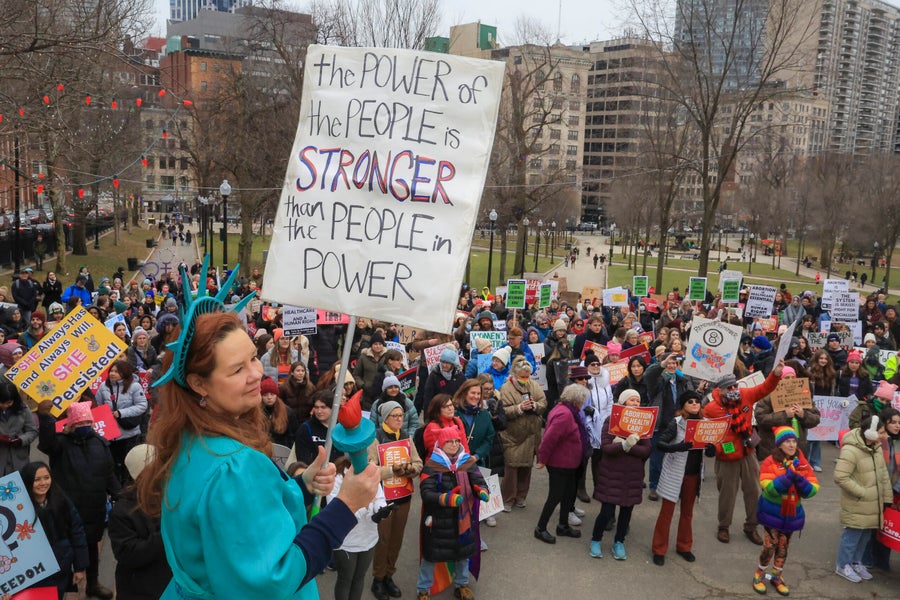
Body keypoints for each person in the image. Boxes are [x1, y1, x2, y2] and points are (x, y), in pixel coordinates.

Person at [136, 289, 379, 598]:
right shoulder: (233, 467)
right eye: (238, 369)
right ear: (199, 384)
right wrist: (346, 507)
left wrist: (301, 485)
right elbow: (273, 579)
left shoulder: (188, 439)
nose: (257, 372)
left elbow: (238, 518)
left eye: (253, 357)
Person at [37, 399, 121, 599]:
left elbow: (109, 474)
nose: (85, 427)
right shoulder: (60, 444)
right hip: (67, 508)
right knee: (65, 550)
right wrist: (45, 418)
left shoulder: (100, 443)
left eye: (88, 423)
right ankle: (67, 590)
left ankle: (93, 584)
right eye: (80, 424)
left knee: (91, 547)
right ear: (71, 424)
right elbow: (46, 443)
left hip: (94, 507)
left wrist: (121, 496)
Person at [704, 361, 784, 545]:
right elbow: (707, 433)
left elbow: (765, 388)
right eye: (729, 387)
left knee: (753, 491)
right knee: (727, 494)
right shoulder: (711, 409)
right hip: (726, 456)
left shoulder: (745, 395)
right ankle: (723, 526)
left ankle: (751, 526)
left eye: (735, 385)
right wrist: (715, 447)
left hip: (748, 452)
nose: (734, 389)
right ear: (721, 390)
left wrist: (776, 373)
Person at [416, 427, 489, 600]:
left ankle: (462, 584)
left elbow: (478, 480)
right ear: (441, 443)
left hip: (463, 519)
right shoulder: (431, 465)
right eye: (450, 441)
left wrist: (481, 490)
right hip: (439, 521)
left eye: (457, 441)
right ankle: (423, 589)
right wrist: (445, 499)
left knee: (463, 554)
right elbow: (426, 493)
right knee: (431, 555)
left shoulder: (467, 462)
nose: (454, 444)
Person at [752, 426, 819, 595]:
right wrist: (789, 477)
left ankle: (776, 575)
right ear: (779, 445)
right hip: (771, 512)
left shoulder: (802, 463)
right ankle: (759, 574)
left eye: (794, 441)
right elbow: (769, 488)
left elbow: (812, 489)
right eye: (787, 441)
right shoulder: (770, 461)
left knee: (783, 547)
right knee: (770, 546)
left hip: (792, 514)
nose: (791, 445)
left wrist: (799, 479)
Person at [367, 400, 423, 600]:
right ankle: (378, 578)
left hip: (404, 497)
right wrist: (392, 470)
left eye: (401, 415)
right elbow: (370, 469)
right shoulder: (376, 438)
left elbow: (418, 462)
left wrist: (410, 469)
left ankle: (389, 575)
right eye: (395, 416)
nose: (400, 419)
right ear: (385, 417)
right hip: (384, 499)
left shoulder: (407, 437)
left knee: (396, 540)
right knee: (383, 540)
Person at [588, 389, 652, 560]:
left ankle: (619, 542)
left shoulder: (643, 423)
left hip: (632, 476)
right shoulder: (612, 420)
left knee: (626, 513)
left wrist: (627, 446)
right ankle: (596, 539)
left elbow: (646, 451)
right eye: (631, 400)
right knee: (606, 512)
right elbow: (606, 448)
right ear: (623, 403)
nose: (635, 403)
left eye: (637, 401)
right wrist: (623, 446)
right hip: (612, 474)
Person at [108, 444, 172, 599]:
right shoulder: (122, 511)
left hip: (173, 584)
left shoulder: (172, 496)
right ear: (141, 474)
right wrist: (166, 531)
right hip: (141, 590)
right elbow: (128, 554)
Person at [834, 415, 893, 583]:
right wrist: (862, 493)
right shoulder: (851, 450)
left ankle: (855, 562)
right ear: (871, 433)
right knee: (852, 535)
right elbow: (840, 477)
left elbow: (882, 474)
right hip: (858, 501)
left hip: (874, 502)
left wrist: (886, 497)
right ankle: (842, 564)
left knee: (866, 535)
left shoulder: (877, 447)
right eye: (881, 432)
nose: (884, 435)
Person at [651, 390, 707, 566]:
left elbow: (713, 448)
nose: (694, 403)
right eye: (689, 401)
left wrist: (712, 449)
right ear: (683, 405)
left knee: (687, 513)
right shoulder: (676, 423)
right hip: (675, 473)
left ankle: (684, 546)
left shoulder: (705, 424)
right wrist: (678, 447)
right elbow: (661, 444)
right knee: (666, 512)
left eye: (697, 401)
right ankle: (659, 548)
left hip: (693, 474)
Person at [20, 461, 89, 600]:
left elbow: (77, 533)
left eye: (46, 477)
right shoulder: (19, 509)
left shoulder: (62, 501)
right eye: (37, 479)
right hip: (31, 575)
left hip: (60, 570)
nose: (43, 483)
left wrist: (80, 567)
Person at [534, 384, 591, 544]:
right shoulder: (565, 414)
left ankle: (563, 525)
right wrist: (542, 460)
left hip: (570, 463)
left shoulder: (565, 409)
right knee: (555, 496)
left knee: (568, 495)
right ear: (576, 400)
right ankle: (540, 528)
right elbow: (549, 438)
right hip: (560, 463)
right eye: (582, 400)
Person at [327, 457, 387, 600]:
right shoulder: (339, 476)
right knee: (345, 579)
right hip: (346, 540)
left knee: (359, 578)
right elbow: (337, 509)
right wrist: (368, 508)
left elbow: (379, 498)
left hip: (369, 537)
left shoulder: (372, 474)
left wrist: (380, 510)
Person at [498, 356, 547, 512]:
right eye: (522, 376)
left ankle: (521, 496)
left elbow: (543, 403)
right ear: (515, 373)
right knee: (511, 467)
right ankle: (507, 498)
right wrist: (519, 408)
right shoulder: (506, 388)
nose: (525, 379)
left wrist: (535, 405)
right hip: (513, 435)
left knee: (526, 466)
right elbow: (503, 411)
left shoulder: (534, 385)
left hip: (531, 433)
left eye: (527, 376)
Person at [95, 360, 148, 484]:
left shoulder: (134, 386)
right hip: (111, 435)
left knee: (128, 465)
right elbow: (98, 404)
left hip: (129, 434)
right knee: (113, 466)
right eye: (111, 371)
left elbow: (142, 405)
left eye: (116, 371)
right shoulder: (104, 386)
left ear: (124, 373)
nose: (112, 374)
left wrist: (122, 413)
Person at [754, 366, 821, 461]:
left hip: (797, 448)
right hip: (772, 447)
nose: (790, 381)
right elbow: (760, 418)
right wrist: (784, 415)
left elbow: (816, 419)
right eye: (786, 378)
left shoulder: (802, 395)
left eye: (792, 378)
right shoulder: (768, 396)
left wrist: (803, 415)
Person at [295, 390, 346, 465]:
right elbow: (302, 460)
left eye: (323, 407)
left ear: (333, 408)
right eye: (316, 407)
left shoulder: (341, 427)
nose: (319, 411)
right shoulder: (306, 429)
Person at [0, 379, 38, 476]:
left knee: (20, 486)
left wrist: (21, 440)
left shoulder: (23, 409)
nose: (4, 406)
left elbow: (32, 431)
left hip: (18, 457)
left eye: (8, 402)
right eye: (1, 402)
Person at [370, 372, 419, 440]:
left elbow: (414, 424)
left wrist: (409, 437)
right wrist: (379, 439)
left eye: (396, 387)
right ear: (385, 389)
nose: (393, 389)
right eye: (390, 387)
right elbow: (373, 426)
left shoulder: (407, 402)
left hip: (404, 440)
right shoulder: (377, 404)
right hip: (383, 442)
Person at [261, 376, 300, 448]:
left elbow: (293, 435)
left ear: (276, 395)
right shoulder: (255, 412)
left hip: (283, 449)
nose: (269, 397)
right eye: (265, 395)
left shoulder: (288, 412)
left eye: (272, 394)